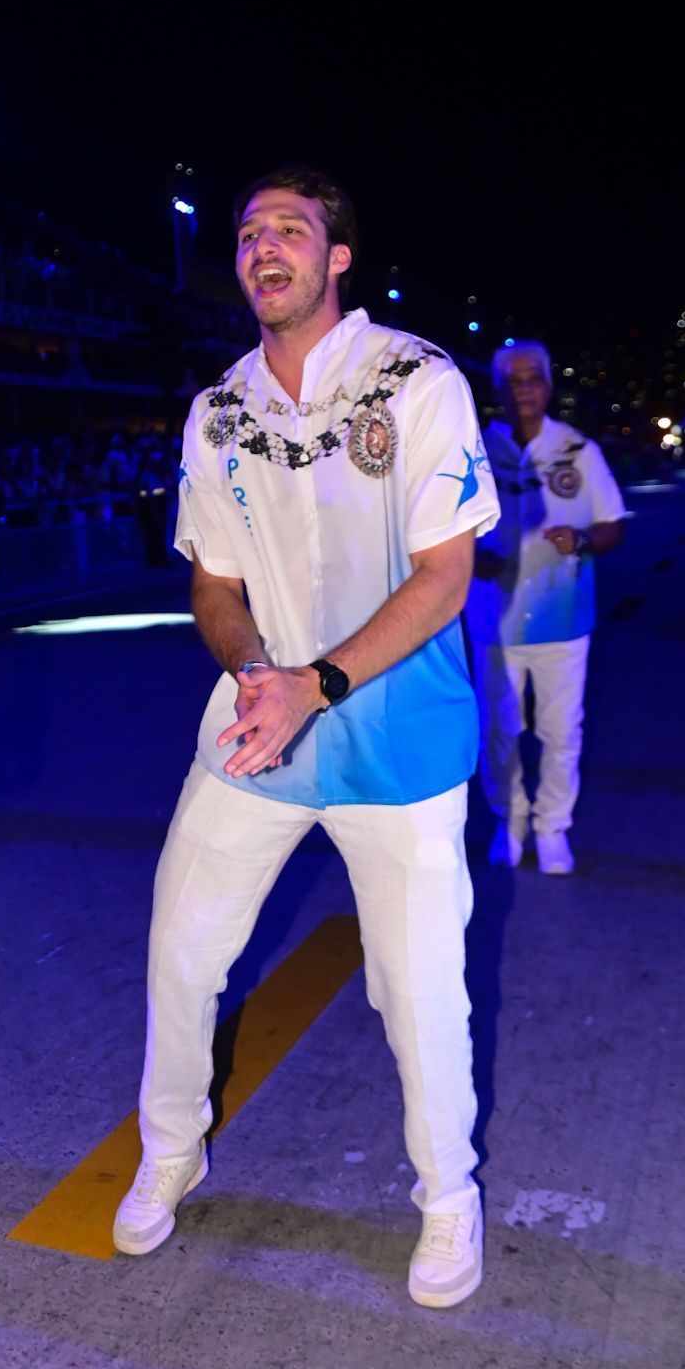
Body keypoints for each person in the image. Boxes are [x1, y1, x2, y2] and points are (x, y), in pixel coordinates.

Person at [113, 164, 501, 1310]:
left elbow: (446, 574)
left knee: (416, 987)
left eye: (291, 229)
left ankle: (448, 1196)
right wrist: (255, 675)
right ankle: (171, 1147)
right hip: (260, 730)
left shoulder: (417, 377)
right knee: (182, 947)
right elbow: (214, 580)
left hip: (397, 739)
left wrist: (315, 681)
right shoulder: (218, 409)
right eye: (247, 233)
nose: (264, 247)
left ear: (339, 257)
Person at [465, 341, 625, 874]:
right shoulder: (475, 452)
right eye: (512, 379)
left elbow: (612, 525)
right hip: (494, 620)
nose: (523, 387)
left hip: (563, 620)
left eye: (533, 377)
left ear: (549, 386)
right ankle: (508, 826)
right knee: (499, 732)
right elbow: (436, 530)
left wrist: (579, 539)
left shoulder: (579, 452)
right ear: (499, 389)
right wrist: (470, 558)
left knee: (561, 732)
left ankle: (553, 827)